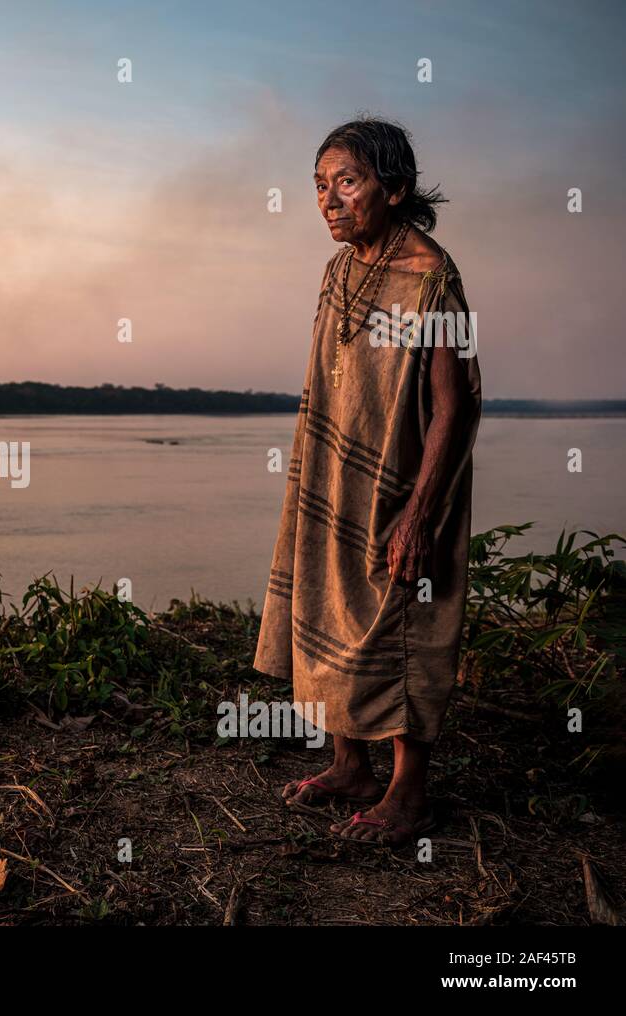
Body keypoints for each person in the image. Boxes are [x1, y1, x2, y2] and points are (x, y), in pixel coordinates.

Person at [253, 116, 483, 846]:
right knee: (328, 602)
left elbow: (456, 403)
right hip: (335, 478)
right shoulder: (339, 271)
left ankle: (408, 794)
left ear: (395, 187)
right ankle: (350, 766)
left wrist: (419, 512)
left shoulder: (434, 279)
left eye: (346, 182)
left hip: (405, 484)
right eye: (319, 185)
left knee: (405, 623)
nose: (328, 199)